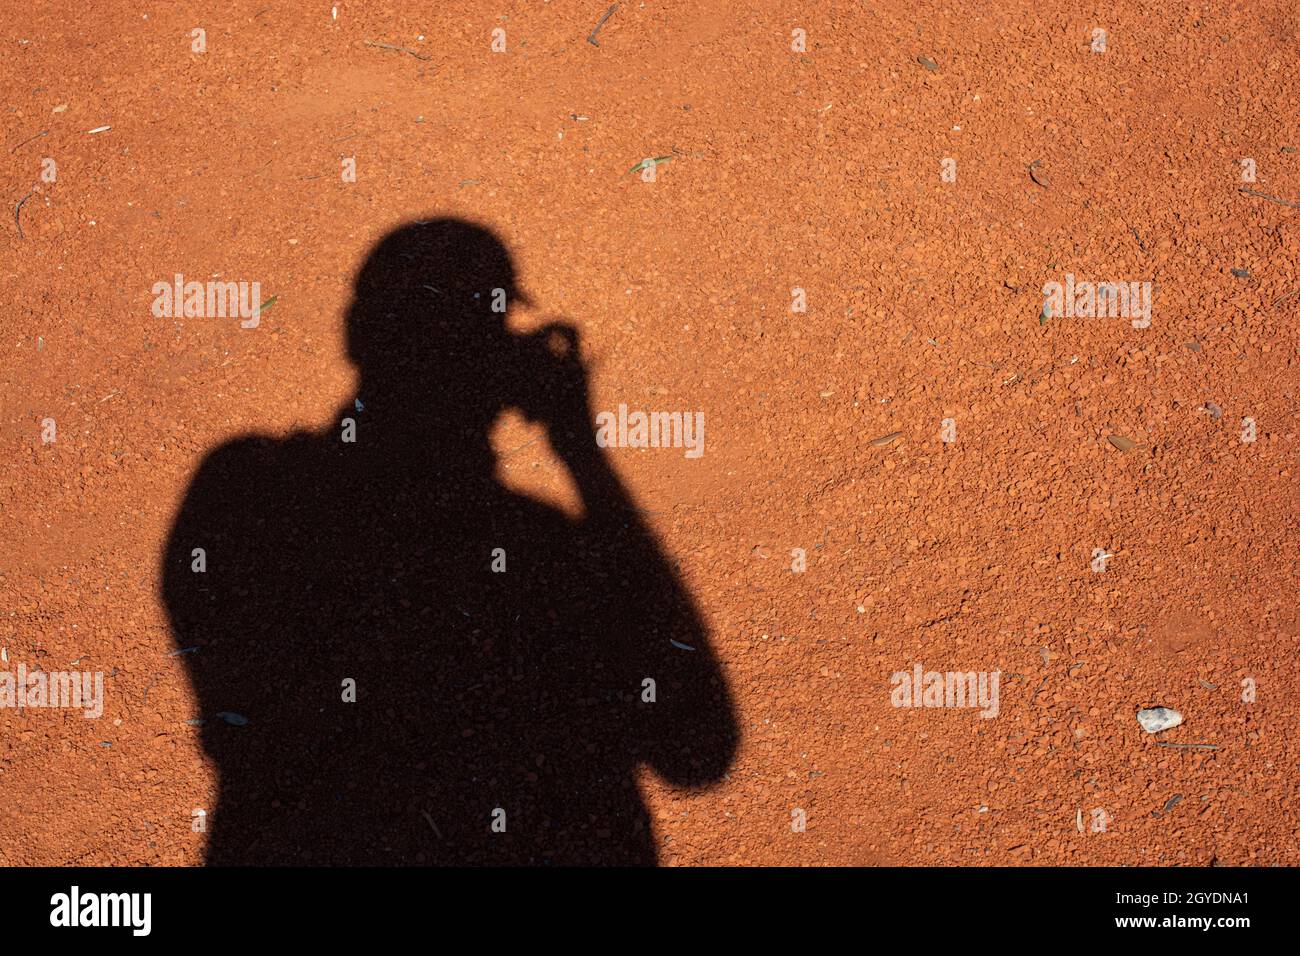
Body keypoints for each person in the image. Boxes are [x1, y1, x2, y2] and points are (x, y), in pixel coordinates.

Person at [161, 218, 737, 865]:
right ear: (500, 364)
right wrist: (582, 454)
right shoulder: (545, 556)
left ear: (355, 336)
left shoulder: (245, 493)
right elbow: (697, 747)